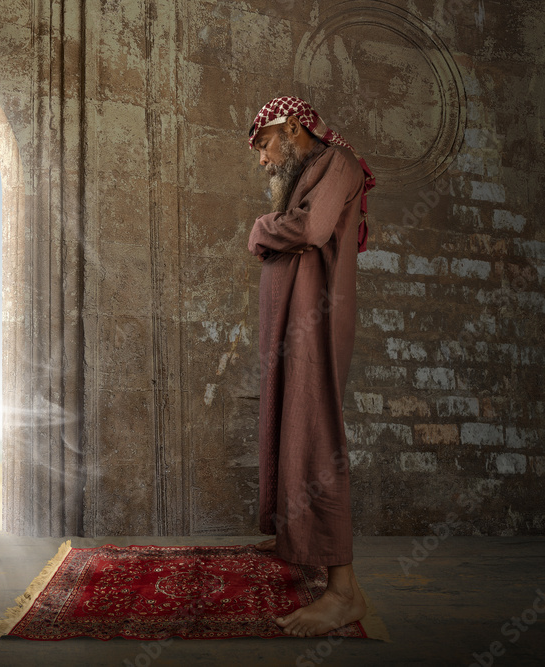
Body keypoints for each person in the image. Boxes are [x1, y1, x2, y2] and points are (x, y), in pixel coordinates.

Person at [246, 96, 376, 637]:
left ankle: (344, 593)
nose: (262, 159)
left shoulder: (337, 163)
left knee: (316, 435)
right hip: (292, 327)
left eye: (264, 145)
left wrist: (261, 229)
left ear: (294, 128)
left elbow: (312, 229)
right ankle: (299, 544)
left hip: (314, 325)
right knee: (291, 430)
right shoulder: (312, 171)